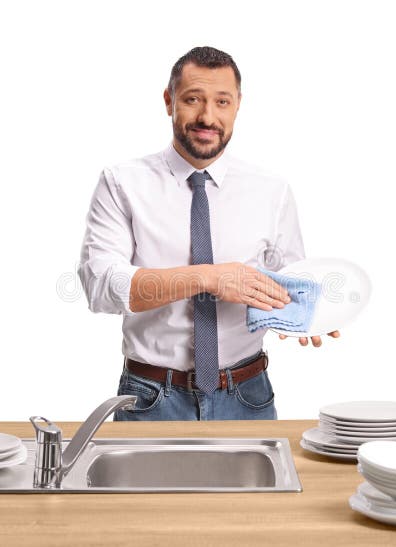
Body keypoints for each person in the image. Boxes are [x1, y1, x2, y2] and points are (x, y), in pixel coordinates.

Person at [78, 46, 339, 421]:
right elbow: (101, 286)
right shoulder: (122, 183)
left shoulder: (272, 191)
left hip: (249, 395)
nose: (207, 116)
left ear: (237, 105)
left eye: (222, 101)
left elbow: (288, 282)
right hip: (151, 399)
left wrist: (309, 314)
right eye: (193, 99)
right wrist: (209, 277)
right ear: (169, 102)